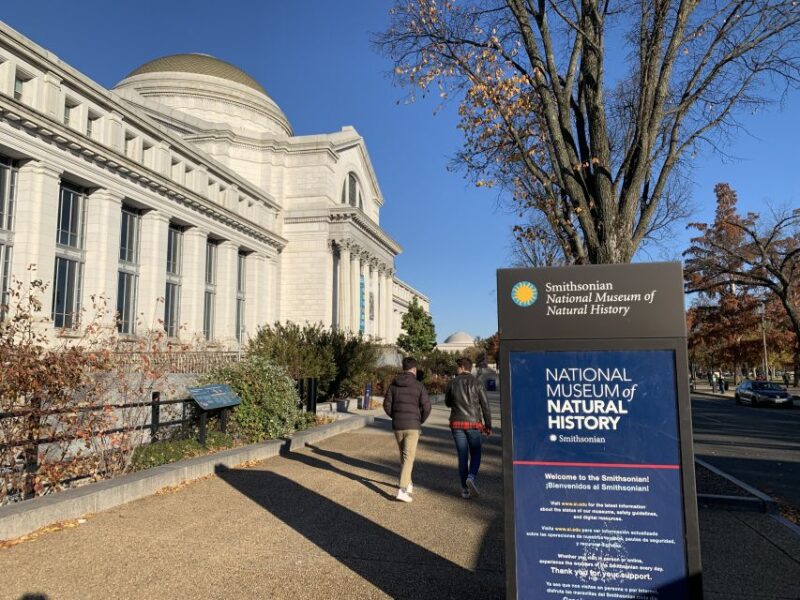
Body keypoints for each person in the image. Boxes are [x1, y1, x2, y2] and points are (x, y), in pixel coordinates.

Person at [383, 357, 431, 503]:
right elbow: (427, 407)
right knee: (408, 457)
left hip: (398, 426)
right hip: (413, 426)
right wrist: (420, 420)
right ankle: (402, 489)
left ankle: (408, 484)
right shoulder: (419, 386)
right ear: (414, 370)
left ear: (403, 368)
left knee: (404, 456)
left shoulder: (393, 385)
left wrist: (394, 416)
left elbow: (386, 405)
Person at [445, 357, 492, 499]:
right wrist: (488, 425)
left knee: (462, 456)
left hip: (456, 423)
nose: (456, 370)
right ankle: (471, 477)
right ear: (470, 368)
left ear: (461, 367)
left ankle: (464, 489)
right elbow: (485, 405)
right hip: (473, 423)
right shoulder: (477, 383)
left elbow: (448, 403)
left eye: (456, 367)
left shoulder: (452, 383)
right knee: (476, 453)